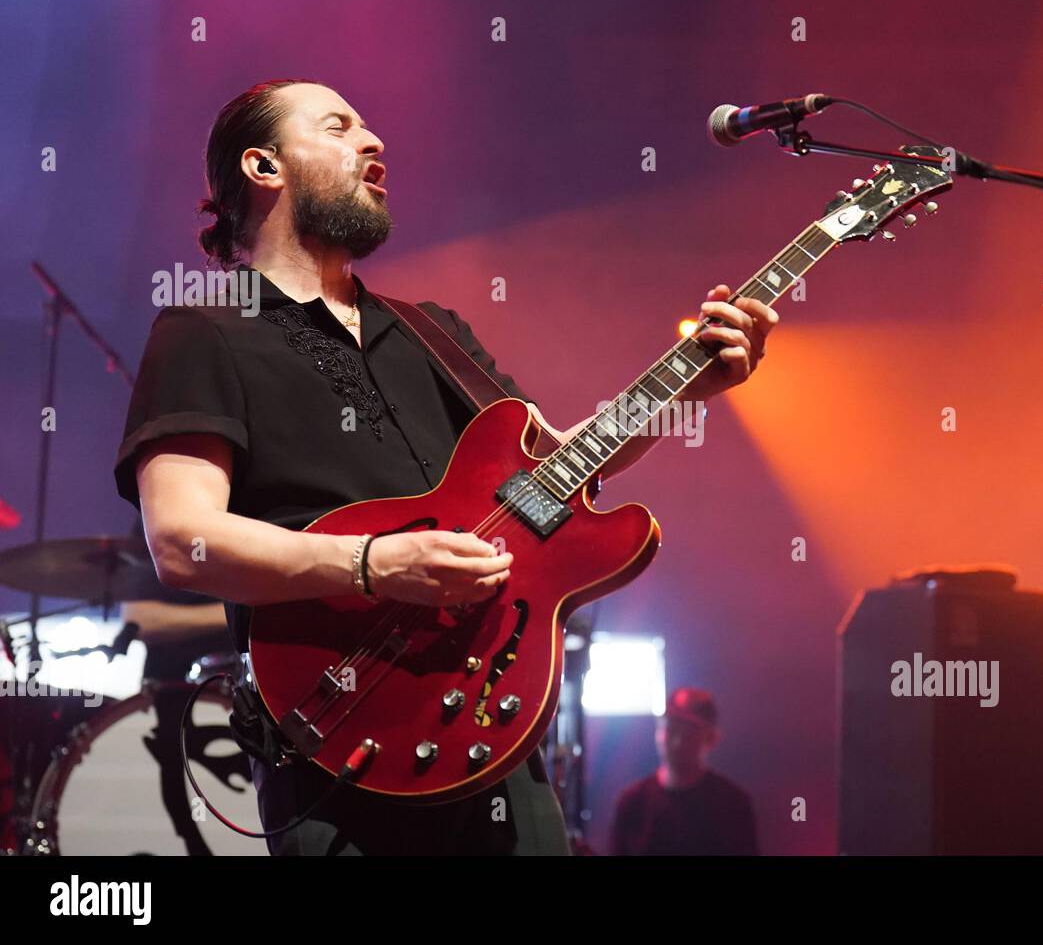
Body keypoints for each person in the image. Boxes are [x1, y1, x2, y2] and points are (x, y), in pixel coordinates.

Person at [113, 79, 777, 855]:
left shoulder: (436, 334)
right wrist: (374, 563)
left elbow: (562, 469)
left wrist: (694, 383)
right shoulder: (204, 331)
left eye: (370, 124)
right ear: (264, 167)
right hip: (345, 741)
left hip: (498, 730)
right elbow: (182, 541)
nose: (374, 141)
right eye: (339, 126)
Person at [609, 687, 759, 855]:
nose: (677, 742)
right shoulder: (632, 804)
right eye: (671, 729)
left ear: (710, 738)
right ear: (658, 732)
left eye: (688, 733)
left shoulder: (733, 806)